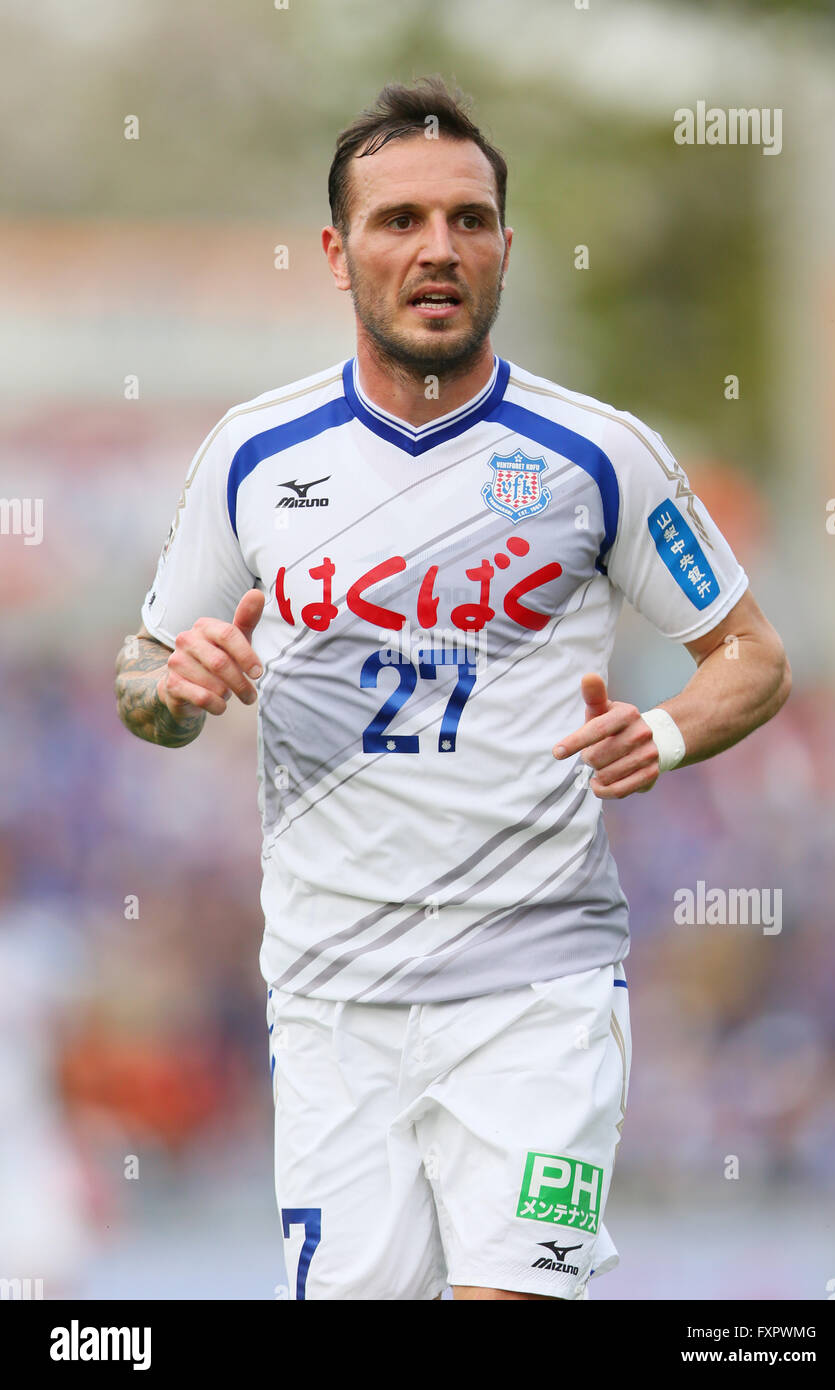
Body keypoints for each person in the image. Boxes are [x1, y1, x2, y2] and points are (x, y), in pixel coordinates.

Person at [114, 76, 791, 1301]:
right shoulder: (255, 458)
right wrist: (178, 683)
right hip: (330, 1002)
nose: (438, 248)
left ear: (503, 247)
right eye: (400, 220)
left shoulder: (599, 453)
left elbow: (748, 655)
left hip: (535, 990)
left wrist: (660, 730)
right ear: (337, 250)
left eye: (467, 220)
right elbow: (143, 674)